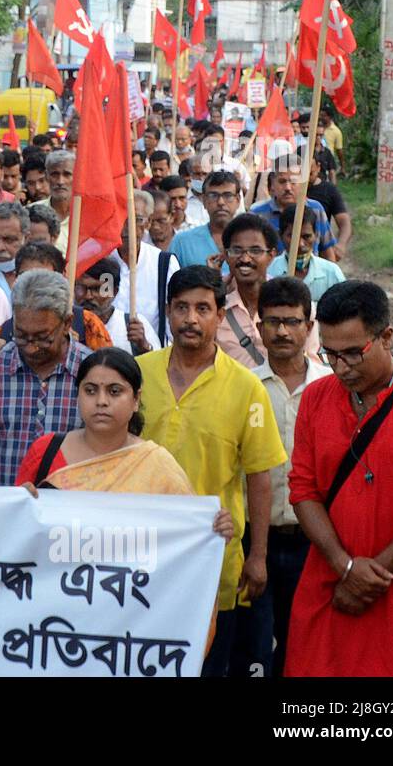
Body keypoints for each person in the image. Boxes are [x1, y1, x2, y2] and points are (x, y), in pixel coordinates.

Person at [286, 282, 393, 676]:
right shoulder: (316, 399)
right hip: (328, 586)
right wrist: (344, 567)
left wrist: (371, 577)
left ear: (387, 337)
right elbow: (303, 490)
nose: (341, 367)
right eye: (330, 354)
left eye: (352, 353)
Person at [136, 265, 286, 676]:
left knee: (207, 666)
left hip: (212, 557)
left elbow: (259, 475)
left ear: (220, 316)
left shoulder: (246, 387)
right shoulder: (137, 375)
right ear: (167, 312)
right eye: (181, 308)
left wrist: (257, 556)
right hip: (137, 553)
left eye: (203, 308)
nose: (190, 319)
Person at [15, 347, 234, 539]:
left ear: (136, 400)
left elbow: (188, 534)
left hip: (128, 584)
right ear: (78, 396)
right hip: (58, 582)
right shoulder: (46, 450)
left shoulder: (156, 465)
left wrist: (214, 528)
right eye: (90, 391)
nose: (101, 401)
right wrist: (20, 505)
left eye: (114, 391)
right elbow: (15, 530)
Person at [239, 276, 333, 678]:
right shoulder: (242, 387)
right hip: (251, 538)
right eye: (272, 321)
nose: (281, 331)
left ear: (309, 328)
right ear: (258, 327)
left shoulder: (331, 387)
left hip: (314, 540)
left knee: (304, 649)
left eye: (292, 322)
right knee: (253, 649)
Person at [0, 270, 92, 486]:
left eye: (42, 337)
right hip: (0, 508)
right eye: (21, 335)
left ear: (67, 323)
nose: (31, 346)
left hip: (67, 511)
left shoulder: (90, 373)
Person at [215, 214, 322, 370]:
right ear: (226, 255)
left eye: (255, 250)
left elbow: (313, 366)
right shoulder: (216, 309)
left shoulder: (300, 307)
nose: (245, 259)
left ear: (271, 255)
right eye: (237, 250)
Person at [6, 242, 113, 351]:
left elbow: (105, 363)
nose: (34, 285)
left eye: (44, 277)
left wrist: (73, 348)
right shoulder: (3, 331)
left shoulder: (88, 324)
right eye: (26, 277)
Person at [111, 188, 180, 347]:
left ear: (148, 222)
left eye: (137, 219)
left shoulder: (163, 263)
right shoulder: (104, 262)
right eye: (123, 218)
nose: (129, 227)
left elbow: (173, 314)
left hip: (152, 353)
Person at [250, 156, 338, 260]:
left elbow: (328, 253)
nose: (288, 188)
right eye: (282, 181)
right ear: (272, 185)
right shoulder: (257, 215)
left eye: (293, 181)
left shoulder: (316, 210)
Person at [76, 257, 159, 355]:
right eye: (82, 288)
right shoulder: (68, 325)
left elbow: (159, 365)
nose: (88, 296)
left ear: (114, 291)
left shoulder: (133, 324)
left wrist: (144, 346)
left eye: (97, 289)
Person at [267, 205, 346, 304]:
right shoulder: (269, 272)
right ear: (280, 235)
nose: (300, 244)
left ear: (316, 235)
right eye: (292, 236)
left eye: (306, 236)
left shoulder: (331, 273)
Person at [170, 171, 242, 270]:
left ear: (238, 200)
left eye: (228, 195)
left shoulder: (254, 244)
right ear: (204, 200)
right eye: (213, 196)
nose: (221, 202)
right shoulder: (182, 243)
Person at [307, 150, 351, 254]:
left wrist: (341, 244)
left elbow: (344, 221)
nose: (306, 178)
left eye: (310, 173)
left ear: (318, 167)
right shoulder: (290, 191)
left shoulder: (329, 190)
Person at [30, 150, 74, 250]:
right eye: (55, 174)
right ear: (46, 176)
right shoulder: (31, 212)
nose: (60, 181)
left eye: (67, 174)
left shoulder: (88, 217)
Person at [145, 188, 176, 253]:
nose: (156, 227)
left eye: (161, 221)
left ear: (172, 217)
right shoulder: (139, 246)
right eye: (150, 221)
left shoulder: (184, 243)